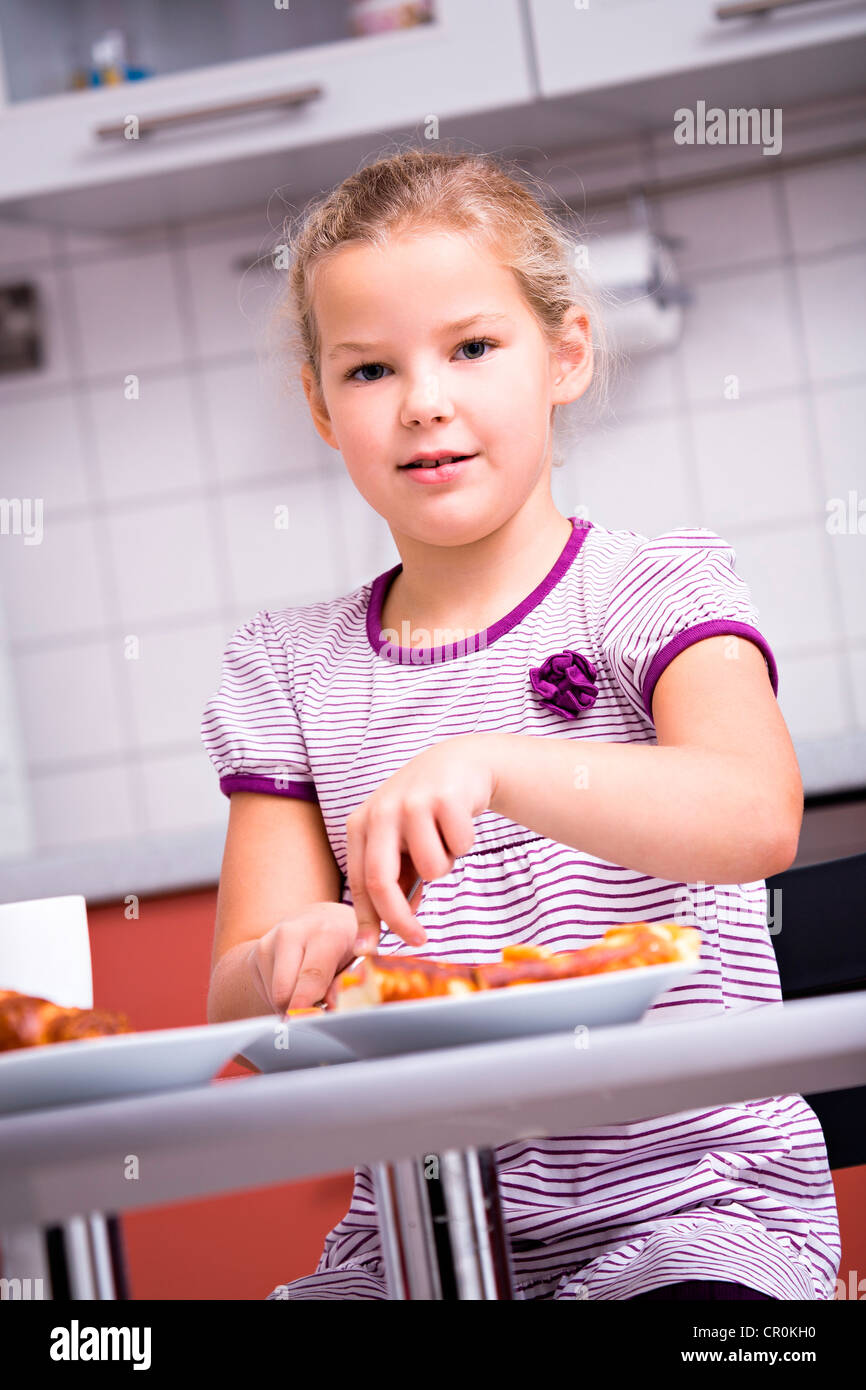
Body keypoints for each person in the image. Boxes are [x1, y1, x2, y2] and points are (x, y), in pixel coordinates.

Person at [200, 147, 840, 1301]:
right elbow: (239, 1011)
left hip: (698, 1214)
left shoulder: (652, 593)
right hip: (414, 1240)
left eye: (471, 347)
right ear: (318, 404)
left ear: (565, 352)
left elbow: (754, 818)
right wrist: (289, 960)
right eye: (367, 370)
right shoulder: (286, 671)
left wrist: (494, 763)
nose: (423, 400)